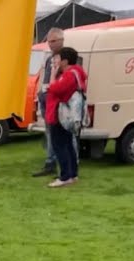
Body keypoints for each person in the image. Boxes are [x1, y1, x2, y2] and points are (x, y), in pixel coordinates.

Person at [45, 46, 88, 188]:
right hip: (66, 115)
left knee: (59, 145)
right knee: (68, 144)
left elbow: (55, 89)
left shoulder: (69, 75)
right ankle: (72, 174)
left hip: (60, 115)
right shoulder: (76, 73)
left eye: (57, 58)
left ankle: (65, 176)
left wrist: (52, 75)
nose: (55, 61)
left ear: (64, 60)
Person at [33, 27, 65, 177]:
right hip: (46, 99)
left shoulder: (65, 59)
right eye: (49, 41)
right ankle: (50, 162)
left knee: (59, 133)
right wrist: (40, 93)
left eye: (53, 41)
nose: (50, 44)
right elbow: (44, 78)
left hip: (57, 101)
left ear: (61, 40)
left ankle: (61, 164)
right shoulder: (48, 58)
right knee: (49, 133)